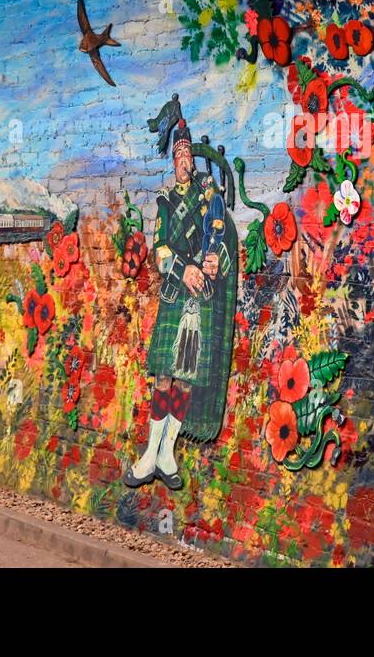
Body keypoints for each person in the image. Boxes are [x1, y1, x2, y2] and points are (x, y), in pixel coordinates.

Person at [124, 113, 237, 490]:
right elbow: (159, 250)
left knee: (186, 381)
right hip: (177, 291)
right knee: (164, 376)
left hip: (201, 294)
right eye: (179, 157)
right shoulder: (166, 200)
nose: (185, 162)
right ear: (173, 162)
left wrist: (213, 256)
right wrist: (183, 269)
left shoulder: (209, 193)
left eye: (189, 156)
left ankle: (167, 453)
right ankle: (150, 452)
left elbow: (217, 227)